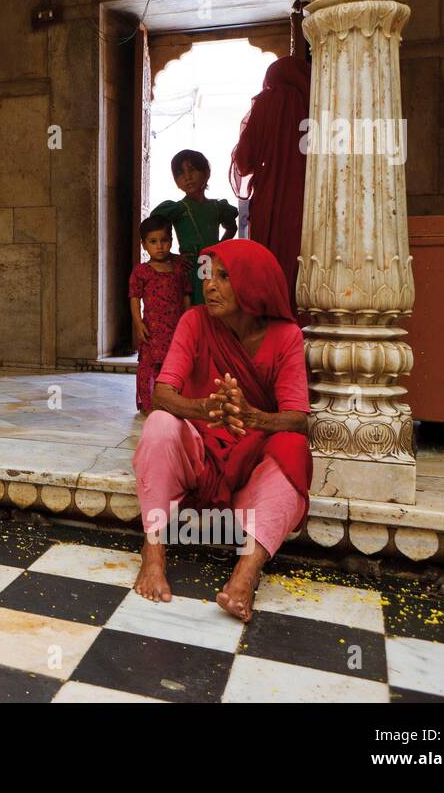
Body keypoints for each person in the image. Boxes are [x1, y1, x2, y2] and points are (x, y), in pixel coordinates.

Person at [131, 239, 312, 622]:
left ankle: (245, 576)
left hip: (249, 461)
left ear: (255, 284)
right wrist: (203, 409)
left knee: (293, 448)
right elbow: (162, 393)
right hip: (200, 451)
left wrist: (250, 417)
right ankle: (153, 551)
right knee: (161, 422)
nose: (209, 285)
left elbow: (298, 417)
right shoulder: (195, 321)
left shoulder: (286, 336)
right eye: (208, 276)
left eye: (224, 277)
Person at [230, 0, 312, 319]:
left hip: (271, 205)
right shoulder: (318, 103)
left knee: (272, 267)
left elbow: (244, 161)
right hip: (310, 203)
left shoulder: (265, 104)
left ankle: (274, 334)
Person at [152, 150, 238, 305]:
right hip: (189, 268)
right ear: (176, 182)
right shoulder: (178, 208)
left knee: (214, 304)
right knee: (190, 307)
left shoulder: (217, 207)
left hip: (213, 265)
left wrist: (219, 248)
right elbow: (153, 229)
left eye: (192, 170)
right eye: (180, 174)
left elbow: (232, 228)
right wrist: (173, 256)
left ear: (206, 173)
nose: (187, 177)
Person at [129, 216, 190, 413]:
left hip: (176, 328)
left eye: (164, 240)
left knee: (175, 365)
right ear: (144, 245)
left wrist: (188, 321)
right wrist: (138, 324)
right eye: (153, 242)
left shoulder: (179, 268)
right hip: (152, 329)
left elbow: (187, 294)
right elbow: (134, 298)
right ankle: (149, 404)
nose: (160, 246)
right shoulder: (141, 271)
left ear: (171, 241)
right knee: (150, 367)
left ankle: (174, 404)